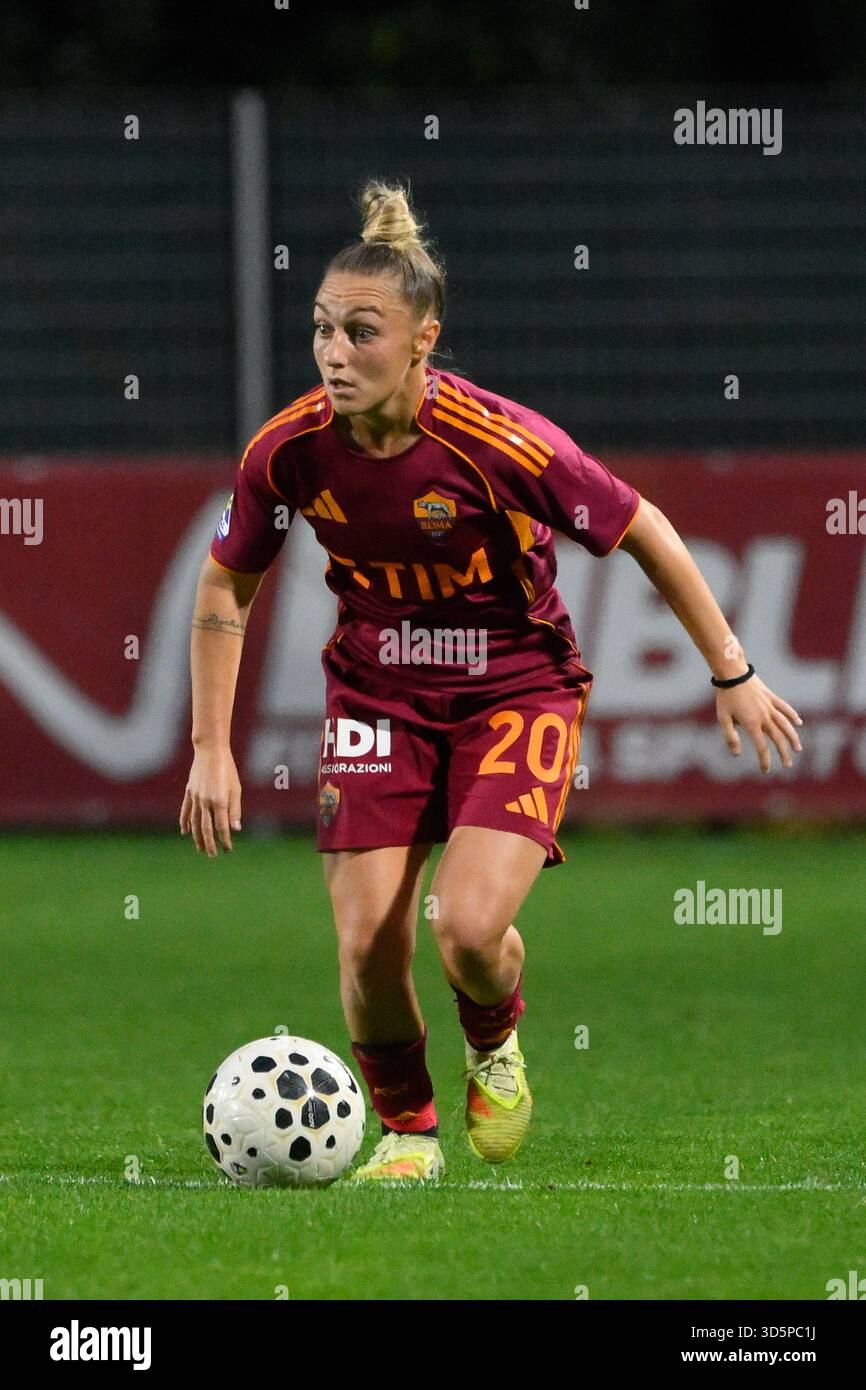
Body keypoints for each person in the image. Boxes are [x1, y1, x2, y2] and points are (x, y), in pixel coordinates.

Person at [180, 179, 803, 1183]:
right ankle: (409, 1133)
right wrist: (210, 748)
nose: (333, 353)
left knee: (467, 930)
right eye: (321, 330)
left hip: (513, 688)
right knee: (367, 946)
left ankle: (494, 1039)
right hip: (377, 696)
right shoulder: (287, 451)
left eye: (361, 333)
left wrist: (730, 669)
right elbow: (224, 588)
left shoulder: (497, 441)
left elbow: (638, 525)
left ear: (422, 342)